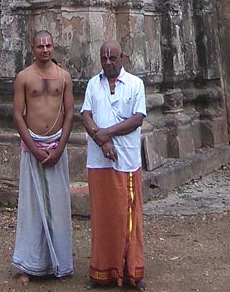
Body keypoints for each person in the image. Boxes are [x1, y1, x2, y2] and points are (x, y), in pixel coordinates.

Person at [80, 41, 147, 290]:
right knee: (102, 216)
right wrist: (101, 141)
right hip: (99, 162)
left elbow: (137, 119)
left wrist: (105, 134)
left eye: (113, 58)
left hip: (126, 161)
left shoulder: (135, 84)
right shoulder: (92, 84)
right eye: (104, 58)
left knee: (128, 215)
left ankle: (133, 272)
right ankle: (101, 272)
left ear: (123, 58)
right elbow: (86, 115)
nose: (108, 62)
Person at [12, 29, 74, 285]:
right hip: (33, 146)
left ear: (54, 46)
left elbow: (70, 114)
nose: (45, 50)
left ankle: (60, 264)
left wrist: (59, 148)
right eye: (40, 46)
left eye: (49, 45)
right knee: (31, 207)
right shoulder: (24, 77)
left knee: (59, 207)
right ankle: (28, 264)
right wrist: (35, 148)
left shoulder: (64, 76)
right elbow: (18, 115)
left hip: (57, 145)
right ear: (32, 49)